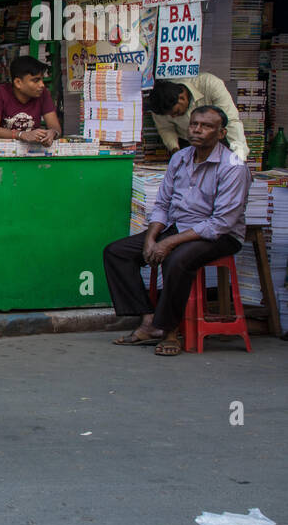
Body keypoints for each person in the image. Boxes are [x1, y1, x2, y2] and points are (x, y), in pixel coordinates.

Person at [104, 105, 251, 357]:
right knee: (117, 252)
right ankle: (150, 321)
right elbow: (162, 205)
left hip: (220, 236)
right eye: (194, 124)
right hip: (179, 226)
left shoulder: (233, 166)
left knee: (176, 259)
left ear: (221, 132)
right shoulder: (180, 158)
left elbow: (221, 223)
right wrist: (151, 239)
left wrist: (168, 243)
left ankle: (170, 330)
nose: (197, 130)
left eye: (206, 126)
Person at [148, 74, 248, 160]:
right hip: (187, 143)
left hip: (219, 140)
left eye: (176, 112)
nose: (173, 117)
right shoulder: (160, 101)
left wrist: (239, 155)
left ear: (182, 98)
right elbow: (166, 128)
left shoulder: (210, 84)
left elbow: (231, 121)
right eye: (169, 115)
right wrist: (176, 151)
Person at [0, 55, 61, 146]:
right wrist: (21, 135)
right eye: (36, 80)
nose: (42, 85)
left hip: (32, 154)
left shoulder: (43, 93)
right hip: (3, 153)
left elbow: (55, 127)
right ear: (18, 83)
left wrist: (52, 133)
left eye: (42, 80)